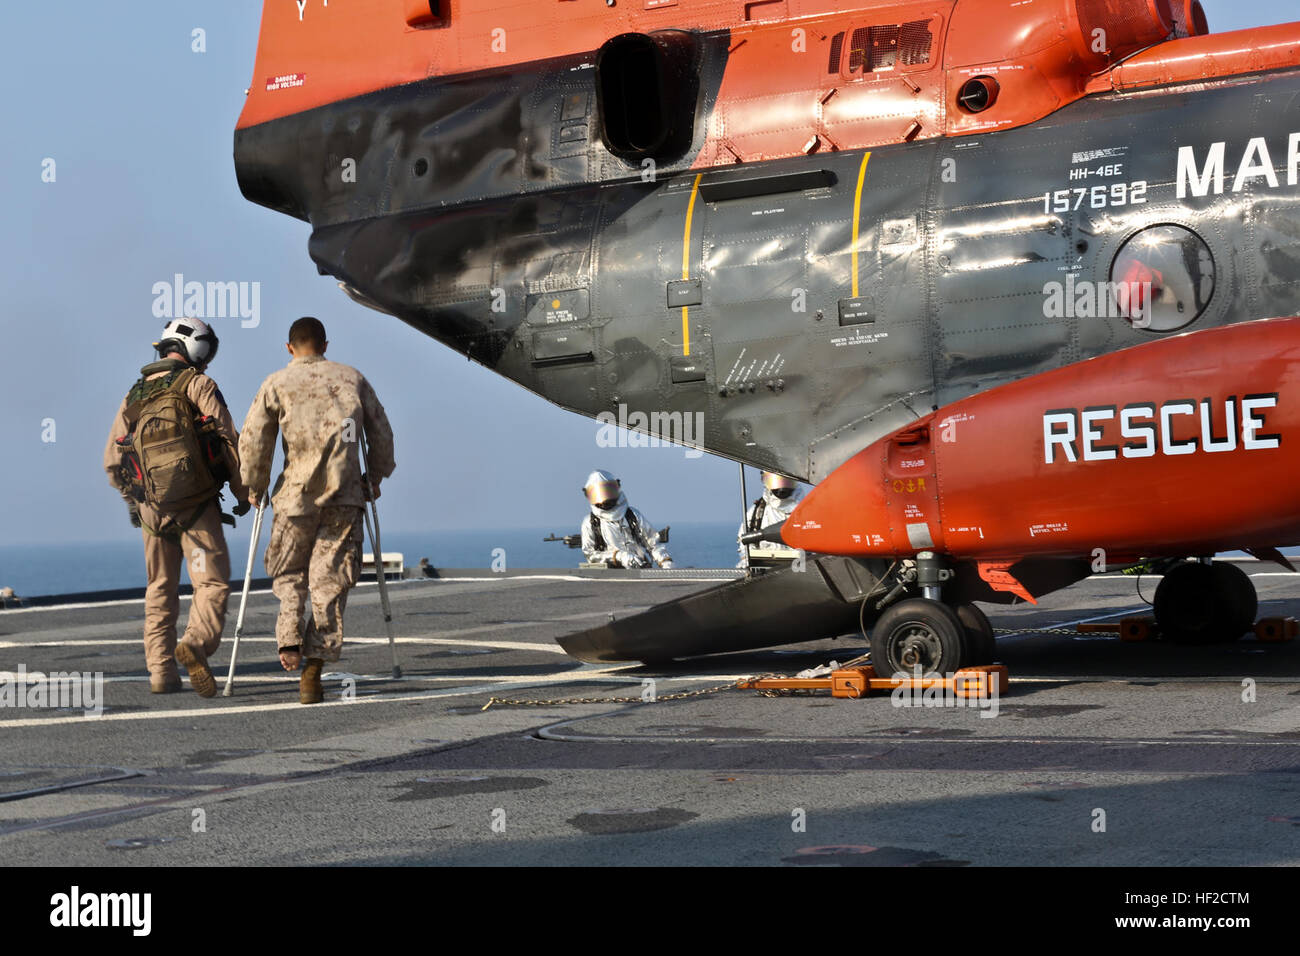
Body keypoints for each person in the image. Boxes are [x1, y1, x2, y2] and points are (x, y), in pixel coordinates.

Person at [239, 317, 395, 705]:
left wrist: (254, 485)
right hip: (343, 497)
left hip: (294, 499)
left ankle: (289, 639)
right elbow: (381, 433)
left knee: (289, 574)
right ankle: (314, 667)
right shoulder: (351, 378)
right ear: (325, 344)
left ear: (289, 348)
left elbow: (256, 439)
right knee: (329, 583)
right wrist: (374, 476)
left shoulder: (276, 383)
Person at [103, 318, 249, 696]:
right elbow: (227, 438)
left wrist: (134, 502)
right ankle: (196, 644)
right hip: (195, 508)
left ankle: (161, 673)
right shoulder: (198, 384)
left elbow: (112, 461)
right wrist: (243, 492)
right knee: (210, 582)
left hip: (152, 511)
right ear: (199, 349)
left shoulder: (134, 395)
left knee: (160, 588)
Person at [580, 470, 673, 569]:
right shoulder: (590, 523)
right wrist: (618, 556)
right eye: (597, 494)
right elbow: (590, 555)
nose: (603, 499)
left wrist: (665, 561)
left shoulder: (632, 515)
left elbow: (653, 543)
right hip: (609, 575)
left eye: (607, 491)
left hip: (640, 570)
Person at [737, 471, 803, 567]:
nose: (781, 488)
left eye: (785, 481)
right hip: (766, 571)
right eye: (776, 481)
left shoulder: (808, 511)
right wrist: (746, 560)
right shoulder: (757, 512)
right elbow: (744, 541)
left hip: (801, 570)